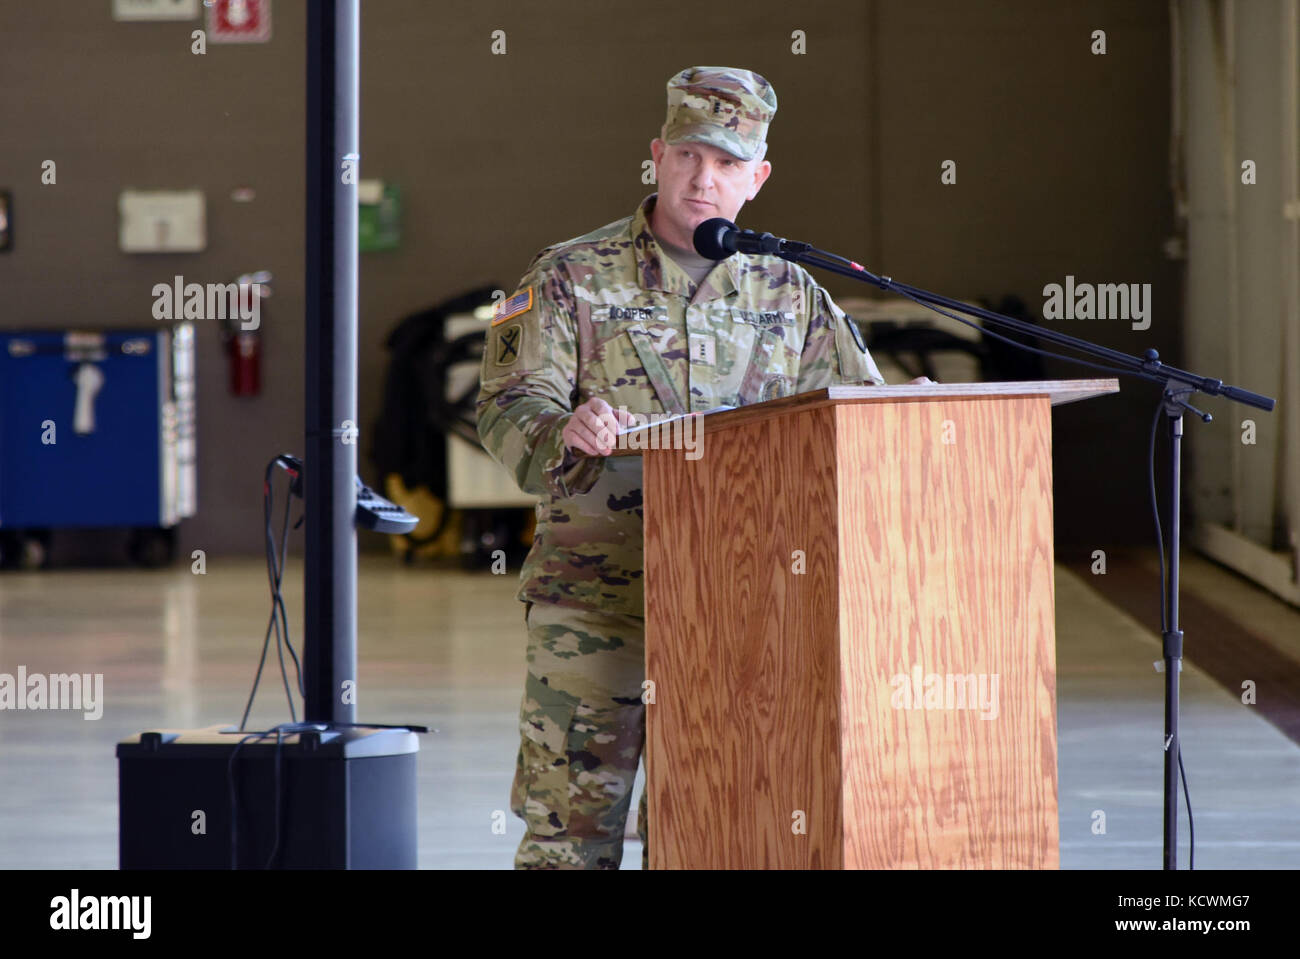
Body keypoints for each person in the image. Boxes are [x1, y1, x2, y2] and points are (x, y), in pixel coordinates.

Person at [477, 65, 897, 870]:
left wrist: (905, 419)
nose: (705, 178)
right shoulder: (570, 273)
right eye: (689, 156)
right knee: (571, 832)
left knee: (726, 825)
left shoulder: (792, 292)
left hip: (748, 610)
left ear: (758, 178)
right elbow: (503, 405)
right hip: (598, 605)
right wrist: (568, 428)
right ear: (658, 155)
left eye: (729, 163)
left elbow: (854, 420)